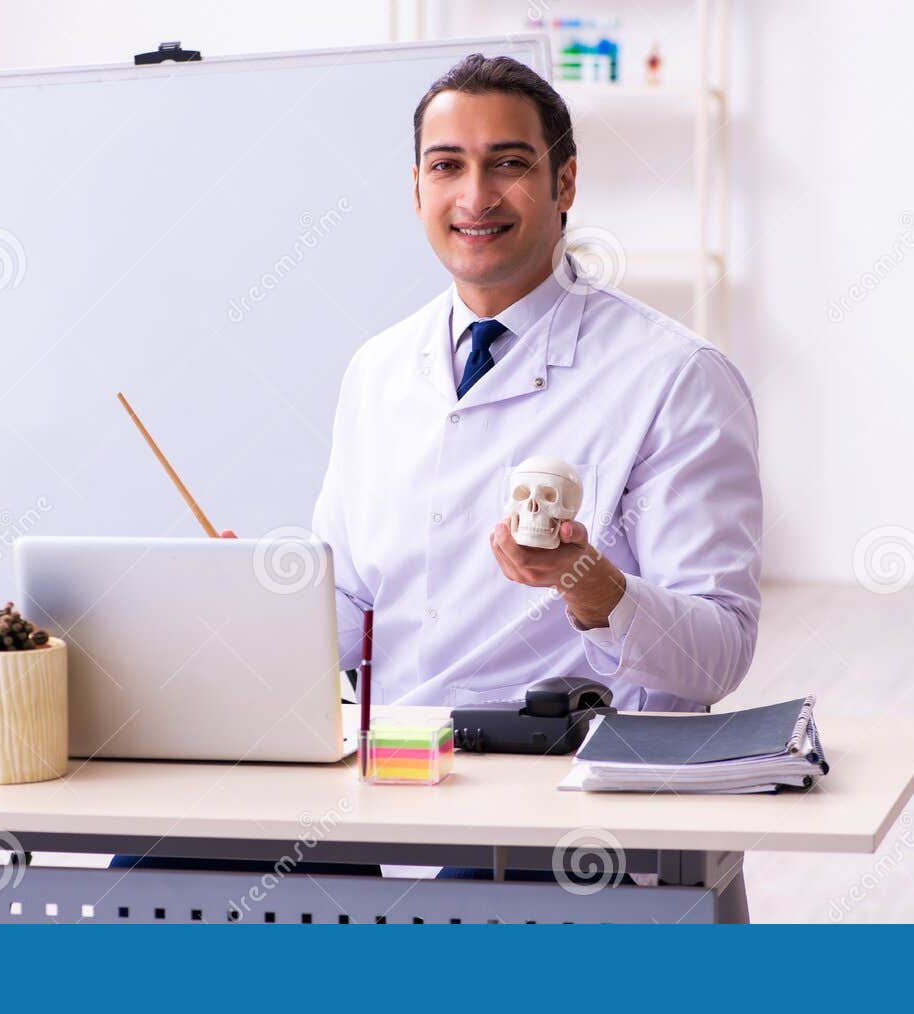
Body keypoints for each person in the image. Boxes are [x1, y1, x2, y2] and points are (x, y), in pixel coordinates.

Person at [311, 53, 763, 715]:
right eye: (447, 166)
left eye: (509, 163)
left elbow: (719, 655)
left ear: (565, 183)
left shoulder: (675, 377)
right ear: (416, 191)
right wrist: (266, 610)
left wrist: (589, 584)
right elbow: (357, 605)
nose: (475, 197)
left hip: (571, 782)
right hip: (396, 769)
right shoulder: (377, 370)